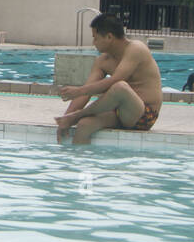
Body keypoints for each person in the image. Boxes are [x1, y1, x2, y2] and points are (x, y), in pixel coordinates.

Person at [54, 14, 164, 144]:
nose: (93, 42)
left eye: (95, 37)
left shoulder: (136, 49)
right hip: (119, 112)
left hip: (144, 114)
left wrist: (79, 91)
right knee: (84, 125)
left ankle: (78, 115)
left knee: (120, 87)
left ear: (109, 37)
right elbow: (85, 94)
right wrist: (65, 119)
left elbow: (115, 80)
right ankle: (81, 160)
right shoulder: (102, 61)